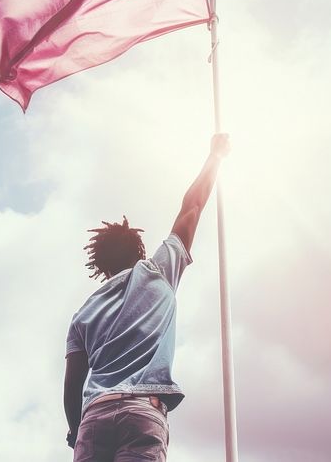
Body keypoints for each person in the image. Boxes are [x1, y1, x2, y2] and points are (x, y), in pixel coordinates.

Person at [63, 134, 230, 461]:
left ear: (99, 264)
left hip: (94, 417)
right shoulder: (158, 271)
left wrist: (75, 429)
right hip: (141, 412)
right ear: (138, 250)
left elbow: (72, 388)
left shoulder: (83, 315)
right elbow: (192, 207)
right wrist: (215, 157)